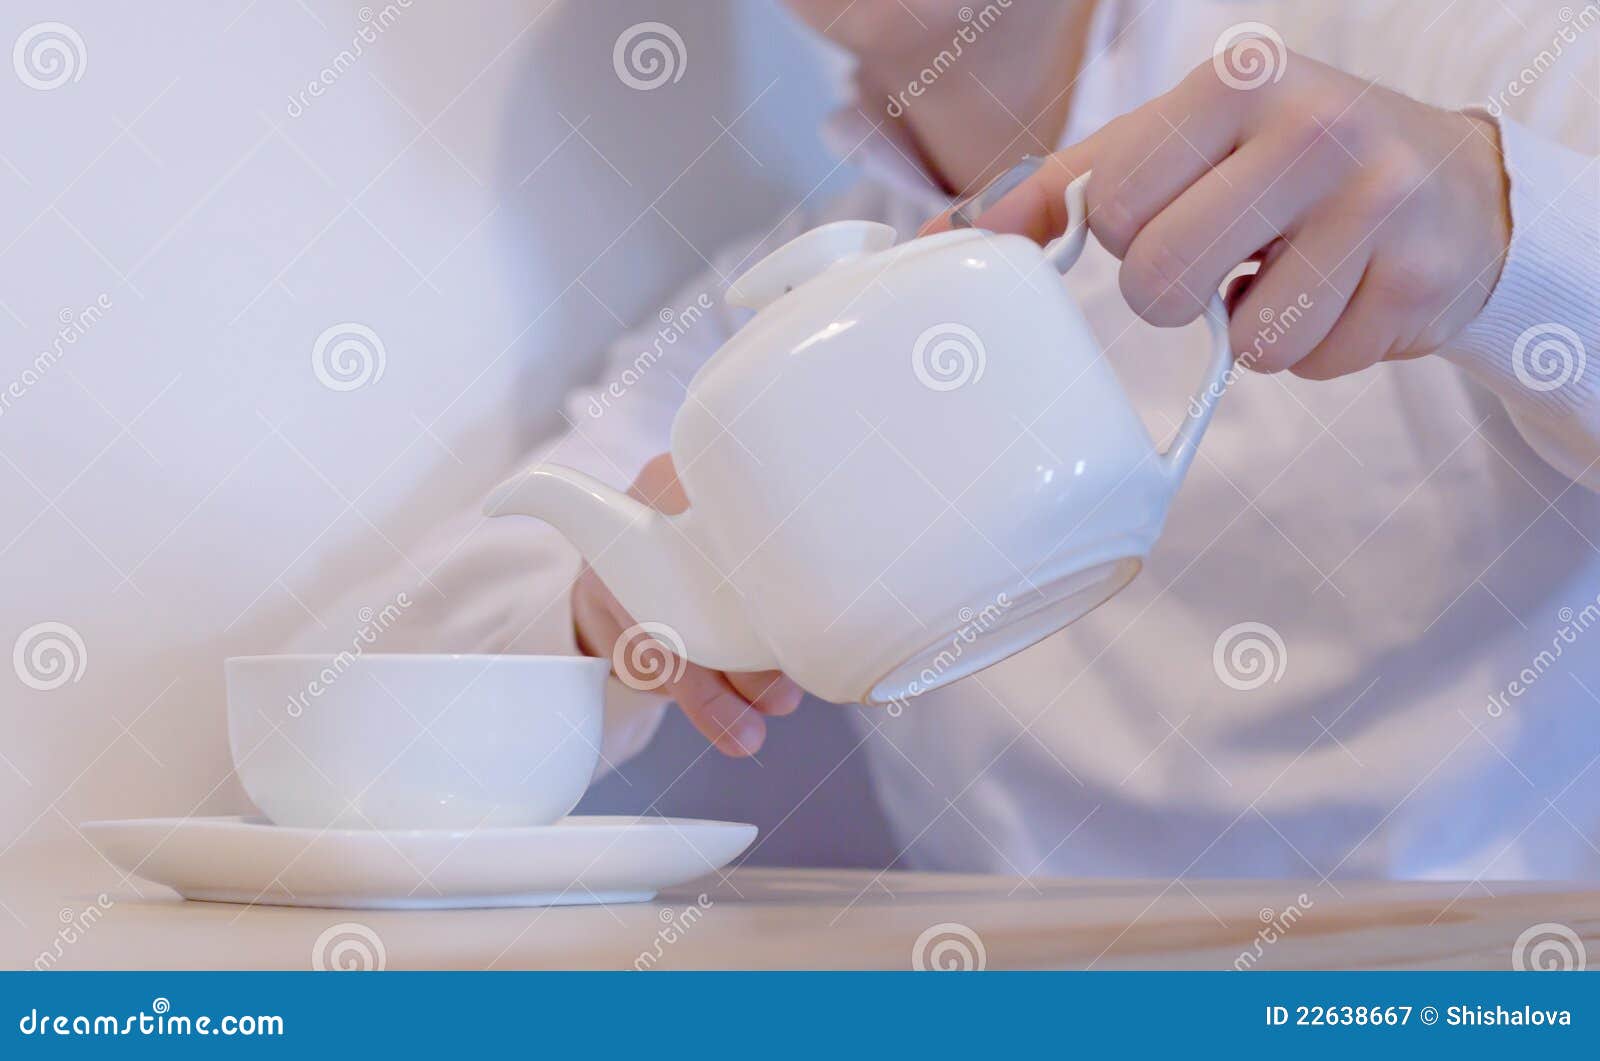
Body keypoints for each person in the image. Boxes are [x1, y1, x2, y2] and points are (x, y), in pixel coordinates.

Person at [301, 1, 1600, 878]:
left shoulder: (1457, 63)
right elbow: (337, 726)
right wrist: (615, 612)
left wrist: (1510, 236)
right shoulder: (763, 337)